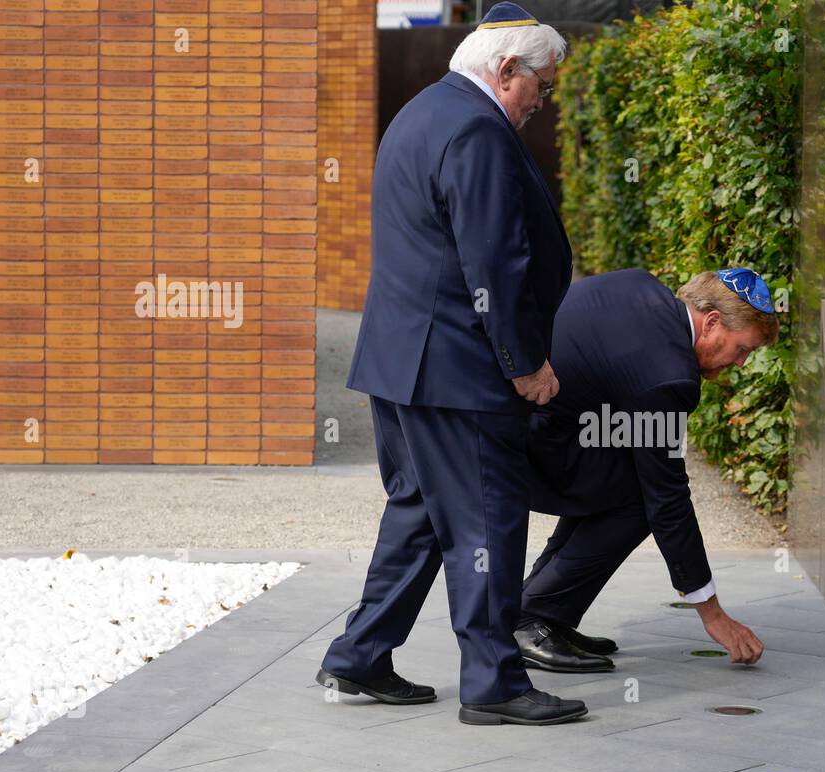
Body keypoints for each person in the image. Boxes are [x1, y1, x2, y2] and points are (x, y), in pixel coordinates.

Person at [317, 3, 586, 726]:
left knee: (421, 516)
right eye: (542, 84)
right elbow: (492, 261)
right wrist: (524, 362)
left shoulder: (422, 112)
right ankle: (494, 682)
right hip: (458, 373)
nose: (542, 99)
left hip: (403, 367)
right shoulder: (476, 128)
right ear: (506, 71)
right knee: (487, 523)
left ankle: (359, 657)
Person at [512, 268, 774, 672]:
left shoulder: (641, 285)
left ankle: (542, 611)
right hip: (523, 444)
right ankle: (530, 620)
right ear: (713, 322)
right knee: (643, 496)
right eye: (742, 349)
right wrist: (713, 614)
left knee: (627, 473)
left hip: (525, 422)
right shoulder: (668, 376)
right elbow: (668, 499)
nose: (740, 363)